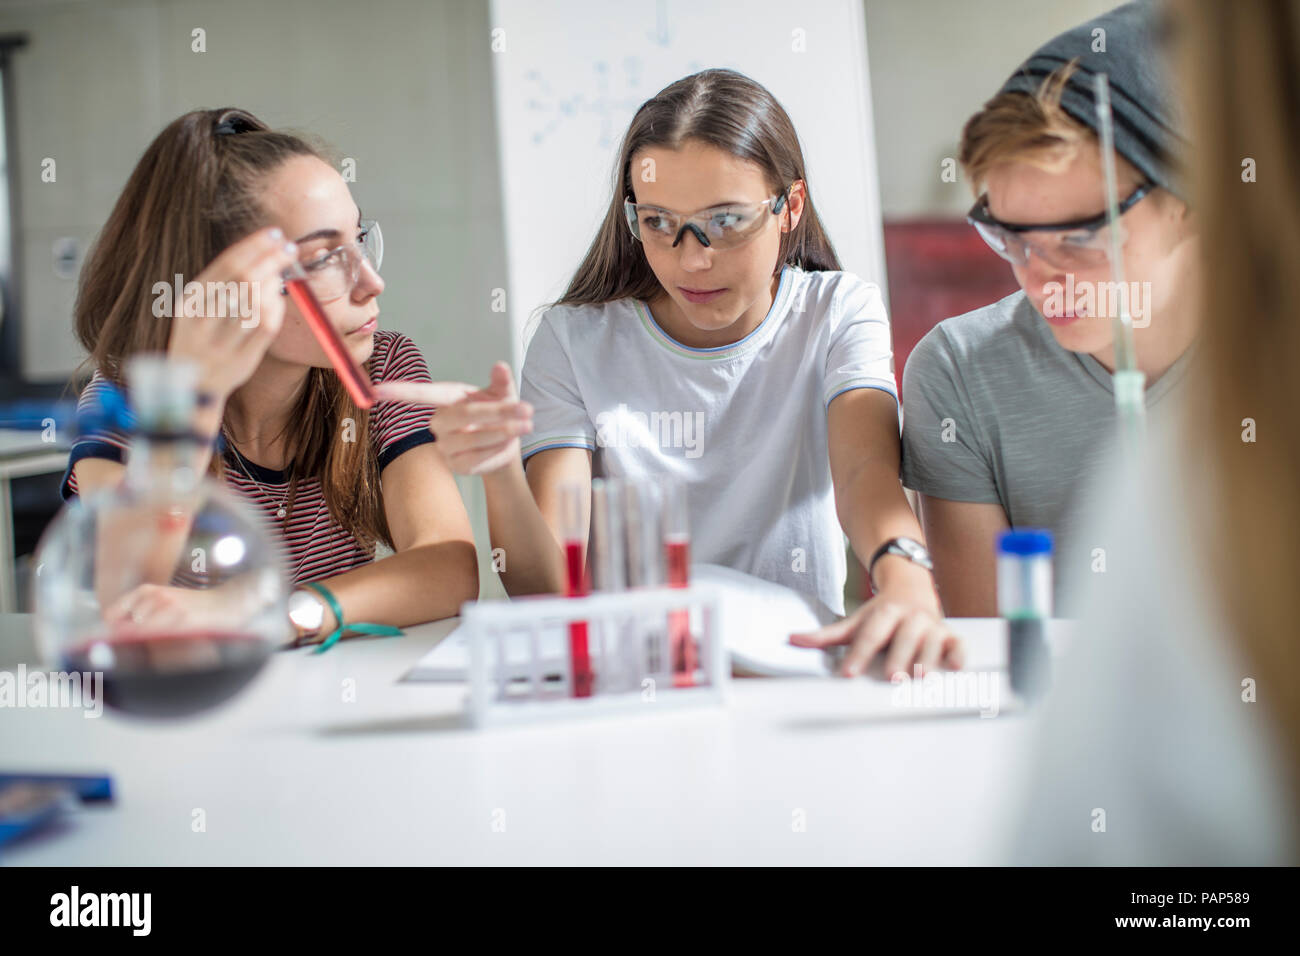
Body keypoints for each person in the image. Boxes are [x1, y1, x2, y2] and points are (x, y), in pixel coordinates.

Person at [379, 70, 961, 679]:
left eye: (726, 220)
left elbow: (866, 472)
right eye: (657, 222)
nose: (691, 259)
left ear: (790, 207)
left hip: (786, 676)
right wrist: (500, 471)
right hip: (630, 678)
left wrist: (904, 573)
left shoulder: (838, 311)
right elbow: (548, 587)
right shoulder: (572, 340)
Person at [1011, 0, 1299, 864]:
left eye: (1085, 226)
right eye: (1014, 232)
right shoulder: (1191, 476)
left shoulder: (1205, 467)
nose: (1044, 267)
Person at [66, 108, 477, 648]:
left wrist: (275, 614)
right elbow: (123, 598)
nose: (372, 282)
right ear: (224, 284)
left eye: (359, 239)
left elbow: (450, 567)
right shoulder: (130, 403)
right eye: (328, 257)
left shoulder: (382, 370)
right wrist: (198, 394)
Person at [901, 1, 1199, 615]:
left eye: (1081, 237)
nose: (1040, 280)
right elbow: (997, 652)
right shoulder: (961, 372)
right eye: (1013, 238)